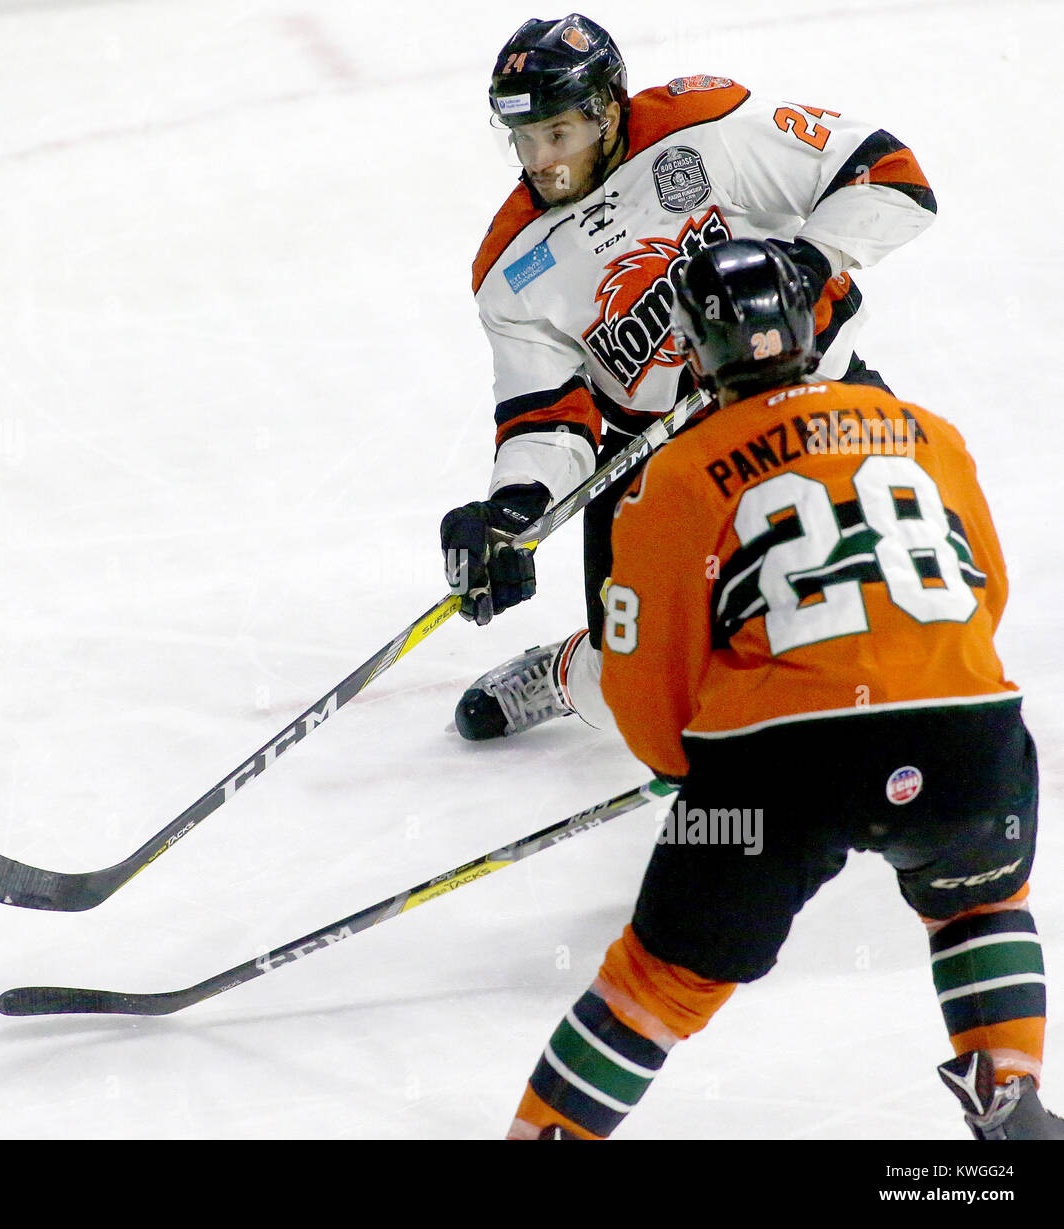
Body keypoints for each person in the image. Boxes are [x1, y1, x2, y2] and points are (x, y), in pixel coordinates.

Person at [505, 237, 1060, 1141]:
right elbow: (982, 592)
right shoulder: (928, 431)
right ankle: (1013, 1111)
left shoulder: (675, 477)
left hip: (774, 775)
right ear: (809, 324)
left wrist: (700, 778)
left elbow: (648, 694)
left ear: (692, 349)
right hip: (971, 738)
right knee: (980, 896)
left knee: (656, 983)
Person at [442, 13, 937, 741]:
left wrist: (810, 261)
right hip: (660, 459)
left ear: (609, 110)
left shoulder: (705, 130)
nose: (542, 160)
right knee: (639, 696)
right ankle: (571, 671)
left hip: (805, 398)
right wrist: (513, 510)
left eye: (559, 134)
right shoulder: (511, 267)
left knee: (885, 595)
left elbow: (891, 176)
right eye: (524, 139)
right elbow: (545, 418)